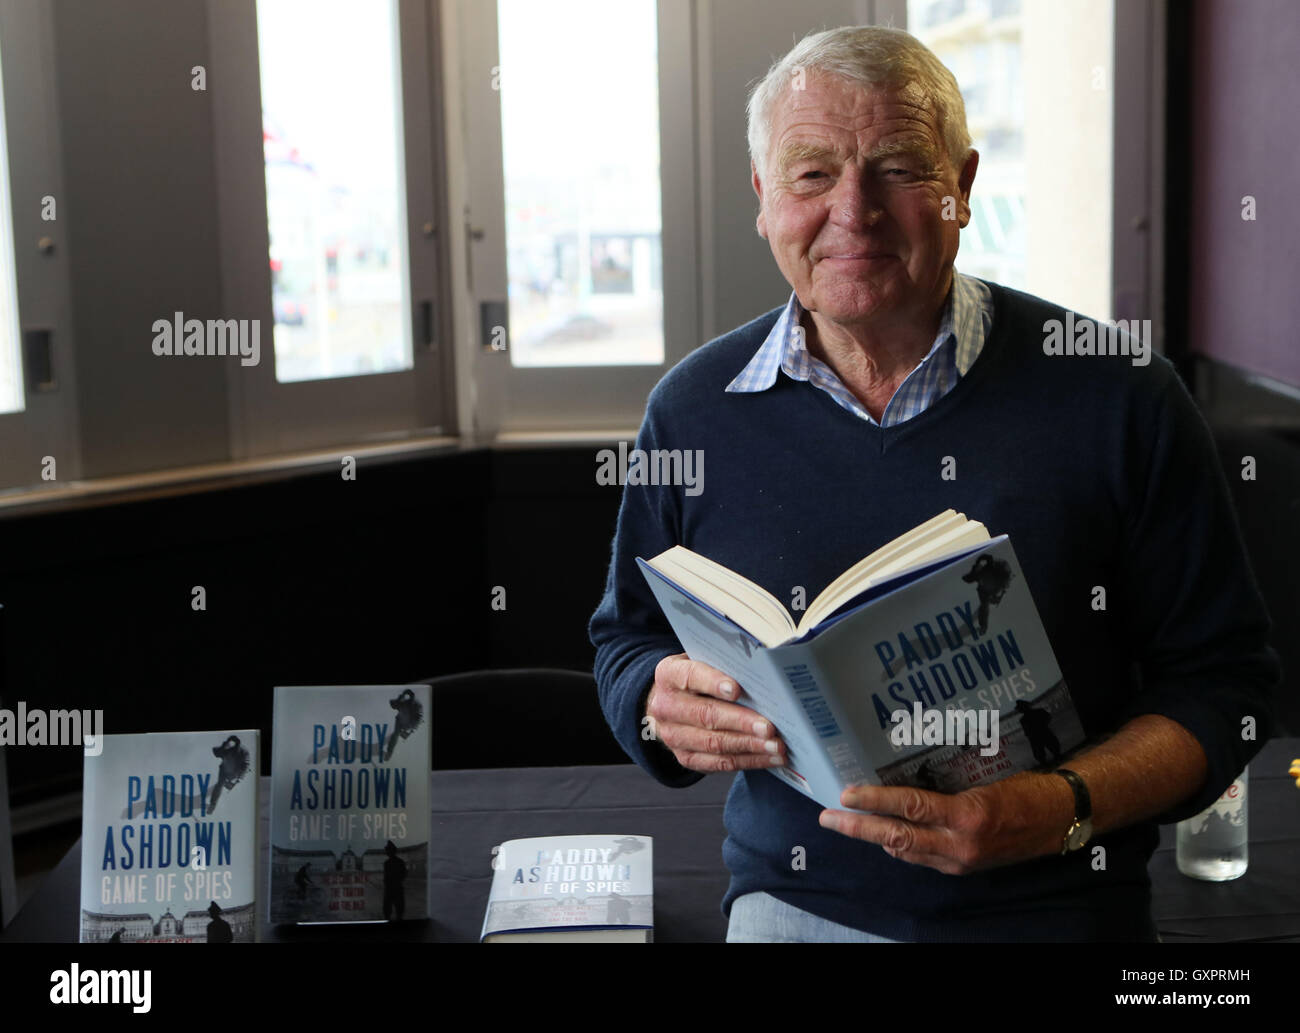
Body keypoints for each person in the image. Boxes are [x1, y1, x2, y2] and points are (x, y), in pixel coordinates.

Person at [588, 25, 1280, 942]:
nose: (854, 211)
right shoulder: (692, 409)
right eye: (811, 174)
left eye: (900, 169)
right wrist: (653, 699)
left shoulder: (1123, 396)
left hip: (1056, 907)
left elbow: (1228, 690)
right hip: (794, 905)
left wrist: (1061, 804)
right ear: (763, 199)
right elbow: (623, 641)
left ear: (961, 187)